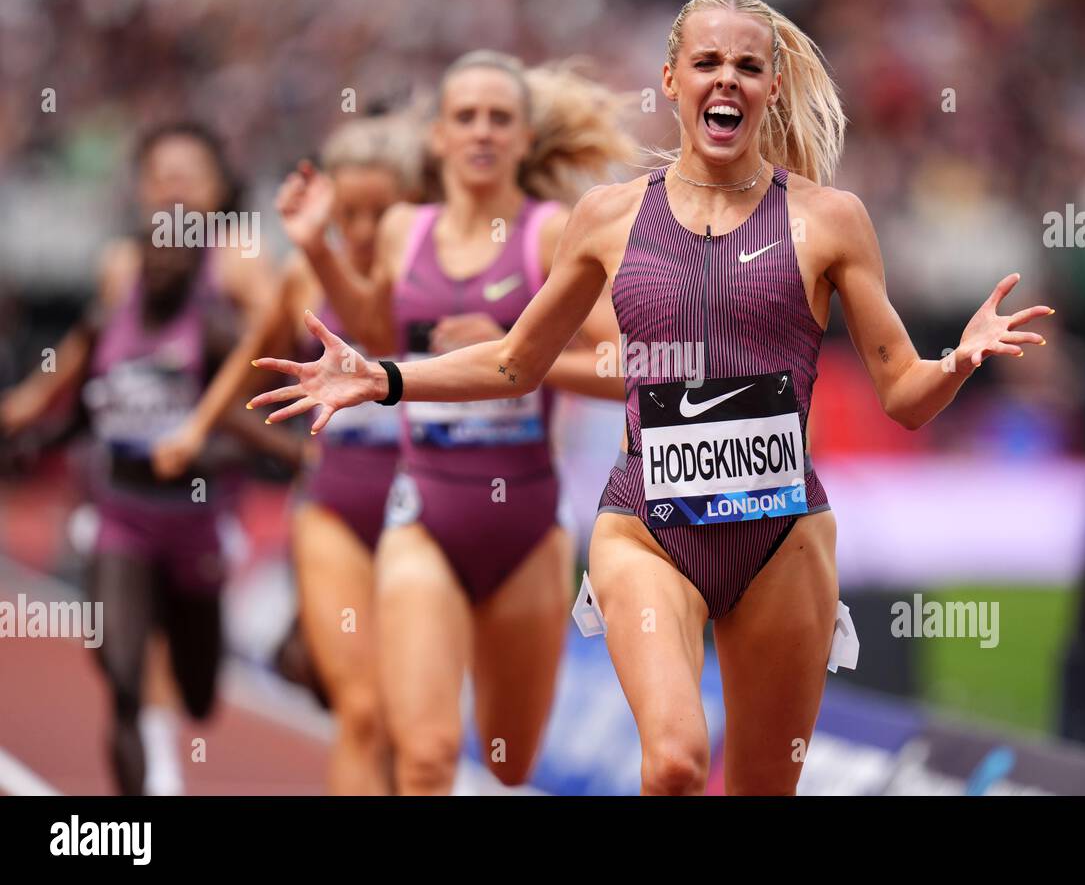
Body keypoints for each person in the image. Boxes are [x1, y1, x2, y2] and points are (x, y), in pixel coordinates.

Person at [249, 0, 1053, 795]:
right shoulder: (607, 218)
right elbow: (514, 364)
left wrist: (959, 360)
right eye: (707, 63)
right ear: (671, 81)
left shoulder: (831, 220)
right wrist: (384, 378)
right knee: (672, 761)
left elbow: (906, 396)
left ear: (773, 86)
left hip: (783, 539)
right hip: (646, 528)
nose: (726, 81)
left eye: (747, 65)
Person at [270, 51, 630, 793]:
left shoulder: (548, 234)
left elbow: (626, 366)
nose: (482, 131)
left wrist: (515, 356)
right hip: (424, 511)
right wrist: (316, 248)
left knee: (507, 762)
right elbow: (373, 326)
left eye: (500, 117)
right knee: (426, 753)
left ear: (526, 139)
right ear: (436, 138)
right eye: (465, 116)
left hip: (528, 528)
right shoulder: (406, 228)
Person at [3, 122, 290, 794]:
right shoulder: (123, 264)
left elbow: (269, 355)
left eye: (190, 171)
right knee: (122, 660)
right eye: (160, 173)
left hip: (201, 492)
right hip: (123, 497)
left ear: (220, 185)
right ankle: (147, 766)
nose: (174, 185)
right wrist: (36, 400)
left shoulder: (240, 258)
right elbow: (95, 350)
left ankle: (173, 704)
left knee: (196, 682)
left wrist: (224, 431)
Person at [151, 113, 425, 794]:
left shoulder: (436, 275)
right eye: (349, 213)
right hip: (333, 503)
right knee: (358, 710)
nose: (361, 230)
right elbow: (244, 371)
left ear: (412, 209)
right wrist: (201, 431)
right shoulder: (304, 279)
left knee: (410, 721)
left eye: (380, 213)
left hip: (427, 511)